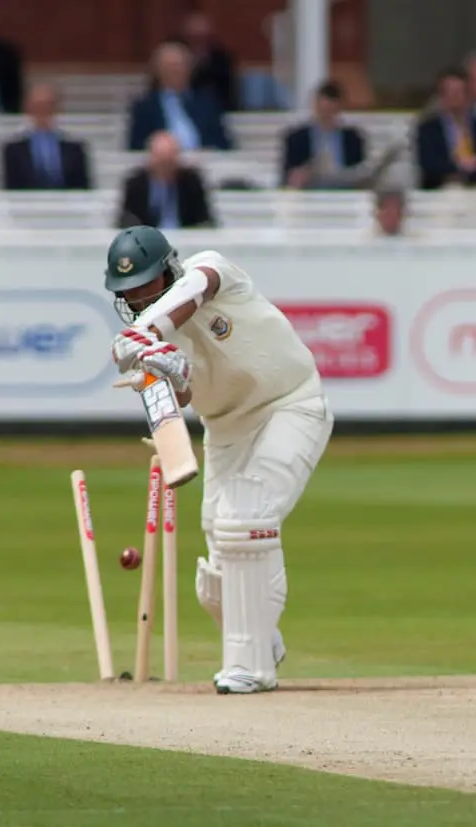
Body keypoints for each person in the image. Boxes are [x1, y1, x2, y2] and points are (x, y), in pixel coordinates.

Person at [103, 226, 333, 694]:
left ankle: (250, 669)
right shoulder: (149, 346)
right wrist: (165, 367)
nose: (140, 300)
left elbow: (198, 285)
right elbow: (182, 396)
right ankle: (261, 637)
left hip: (291, 405)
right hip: (226, 430)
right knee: (219, 561)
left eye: (148, 286)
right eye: (130, 294)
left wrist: (147, 331)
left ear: (169, 270)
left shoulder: (212, 269)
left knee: (245, 521)